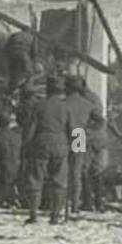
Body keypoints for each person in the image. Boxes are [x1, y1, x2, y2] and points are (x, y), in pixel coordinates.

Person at [23, 75, 73, 224]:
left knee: (35, 178)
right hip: (60, 144)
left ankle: (33, 214)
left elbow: (30, 129)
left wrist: (26, 145)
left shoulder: (38, 106)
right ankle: (55, 215)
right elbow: (75, 130)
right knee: (59, 180)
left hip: (40, 143)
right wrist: (78, 150)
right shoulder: (66, 107)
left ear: (48, 89)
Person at [64, 75, 94, 217]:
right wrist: (87, 130)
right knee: (76, 171)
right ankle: (75, 204)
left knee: (62, 169)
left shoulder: (63, 103)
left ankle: (61, 202)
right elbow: (101, 121)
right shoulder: (87, 104)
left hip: (64, 135)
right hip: (79, 135)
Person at [0, 112, 23, 209]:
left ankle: (6, 199)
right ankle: (14, 198)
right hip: (17, 164)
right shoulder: (16, 135)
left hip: (5, 165)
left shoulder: (0, 136)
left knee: (2, 180)